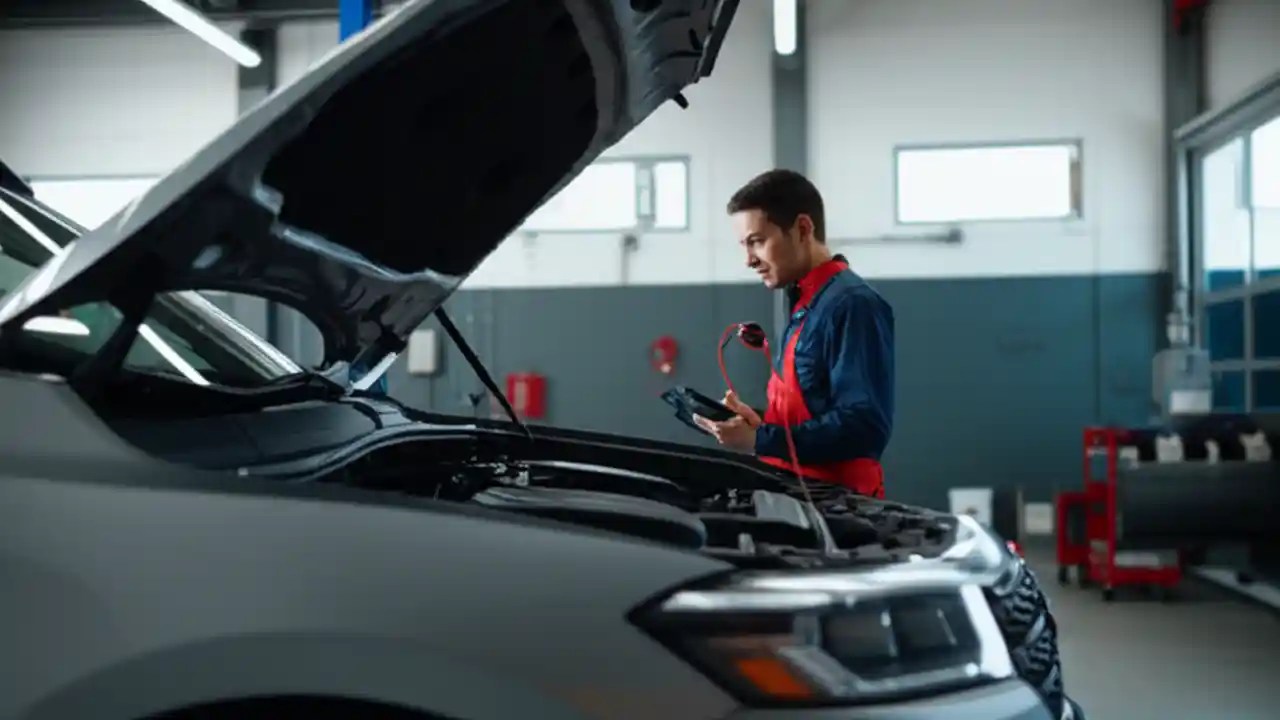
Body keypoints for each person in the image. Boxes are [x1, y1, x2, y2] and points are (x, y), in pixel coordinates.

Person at [693, 169, 895, 498]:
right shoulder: (804, 301)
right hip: (798, 493)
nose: (749, 260)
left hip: (839, 507)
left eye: (757, 241)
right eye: (744, 245)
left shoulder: (852, 305)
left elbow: (865, 427)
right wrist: (757, 423)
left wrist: (760, 440)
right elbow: (812, 410)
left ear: (802, 229)